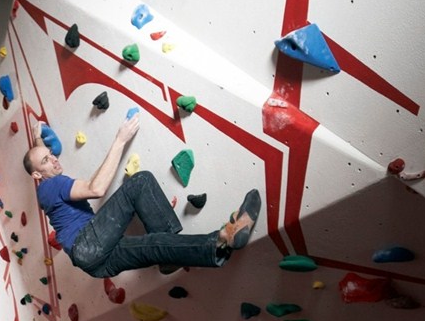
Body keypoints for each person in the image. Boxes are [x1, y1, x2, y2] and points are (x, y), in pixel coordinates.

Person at [24, 116, 260, 277]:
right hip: (86, 244)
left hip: (94, 264)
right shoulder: (51, 185)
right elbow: (96, 189)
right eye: (46, 160)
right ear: (37, 173)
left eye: (51, 154)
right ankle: (179, 247)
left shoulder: (45, 190)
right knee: (140, 181)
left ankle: (221, 240)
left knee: (153, 247)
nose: (54, 158)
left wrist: (38, 138)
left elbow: (42, 163)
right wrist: (120, 140)